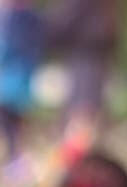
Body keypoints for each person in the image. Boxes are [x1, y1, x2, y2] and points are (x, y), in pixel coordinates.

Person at [0, 0, 42, 186]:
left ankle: (13, 167)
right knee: (16, 130)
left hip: (6, 84)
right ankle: (16, 166)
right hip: (22, 83)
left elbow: (2, 48)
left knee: (7, 131)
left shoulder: (12, 17)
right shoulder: (33, 16)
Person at [44, 0, 120, 135]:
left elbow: (64, 20)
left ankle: (77, 138)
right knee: (87, 106)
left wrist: (41, 34)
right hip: (93, 51)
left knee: (82, 109)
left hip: (85, 50)